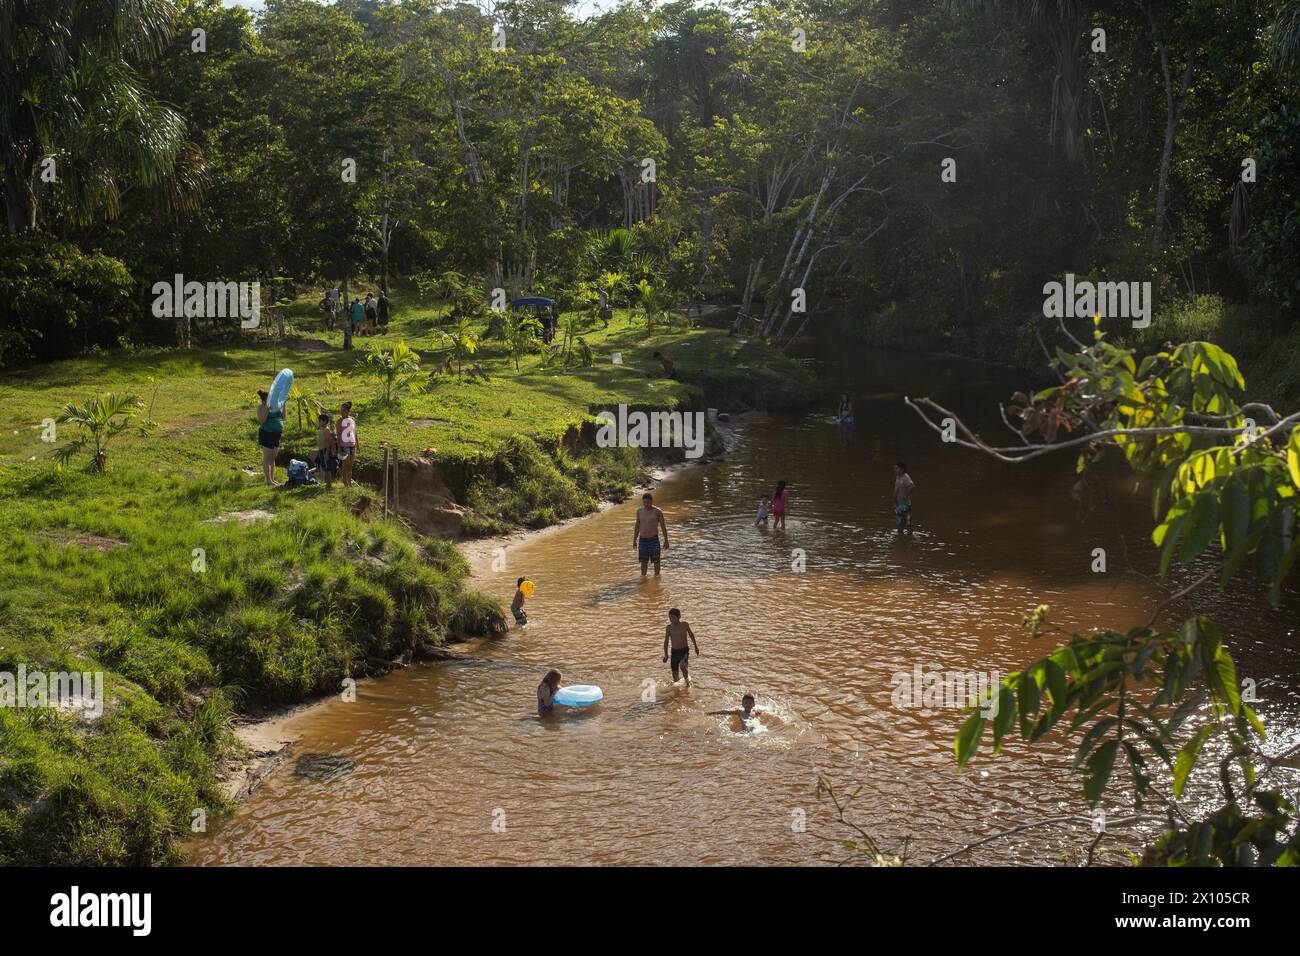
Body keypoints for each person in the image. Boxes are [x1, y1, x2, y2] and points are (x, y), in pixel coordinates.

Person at [632, 491, 669, 576]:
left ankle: (657, 578)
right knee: (643, 562)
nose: (646, 504)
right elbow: (637, 526)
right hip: (642, 540)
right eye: (644, 502)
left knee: (656, 561)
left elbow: (663, 527)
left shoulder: (657, 512)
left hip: (654, 539)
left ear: (651, 501)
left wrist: (666, 540)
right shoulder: (639, 511)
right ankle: (643, 579)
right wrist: (634, 540)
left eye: (647, 502)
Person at [661, 608, 700, 687]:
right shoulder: (669, 628)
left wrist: (696, 646)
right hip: (674, 652)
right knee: (675, 675)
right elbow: (666, 642)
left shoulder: (685, 625)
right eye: (670, 618)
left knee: (682, 665)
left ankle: (687, 683)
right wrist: (666, 654)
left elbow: (691, 635)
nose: (671, 619)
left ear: (679, 617)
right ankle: (678, 692)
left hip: (684, 650)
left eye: (673, 617)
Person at [255, 389, 283, 486]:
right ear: (264, 401)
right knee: (267, 457)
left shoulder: (276, 406)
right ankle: (268, 480)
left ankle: (272, 479)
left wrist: (284, 405)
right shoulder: (261, 408)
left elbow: (284, 417)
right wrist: (267, 409)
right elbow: (262, 421)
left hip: (277, 433)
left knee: (273, 457)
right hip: (266, 433)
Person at [314, 412, 339, 489]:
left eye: (320, 421)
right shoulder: (322, 429)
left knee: (327, 468)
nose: (319, 422)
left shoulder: (326, 430)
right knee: (325, 468)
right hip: (321, 450)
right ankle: (327, 483)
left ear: (324, 422)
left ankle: (329, 484)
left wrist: (327, 453)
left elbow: (329, 442)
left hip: (325, 451)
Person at [338, 401, 358, 488]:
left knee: (350, 466)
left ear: (348, 411)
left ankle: (349, 483)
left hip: (352, 445)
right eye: (341, 410)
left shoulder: (352, 420)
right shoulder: (339, 421)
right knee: (345, 465)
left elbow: (355, 433)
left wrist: (358, 444)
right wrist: (339, 448)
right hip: (344, 446)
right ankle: (345, 483)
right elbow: (338, 435)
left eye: (344, 410)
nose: (342, 412)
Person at [894, 461, 914, 535]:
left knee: (908, 522)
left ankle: (910, 537)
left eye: (896, 468)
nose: (895, 470)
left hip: (905, 504)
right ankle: (901, 538)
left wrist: (906, 496)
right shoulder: (898, 477)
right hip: (899, 504)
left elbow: (912, 486)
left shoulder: (906, 477)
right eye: (895, 468)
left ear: (902, 469)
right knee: (899, 522)